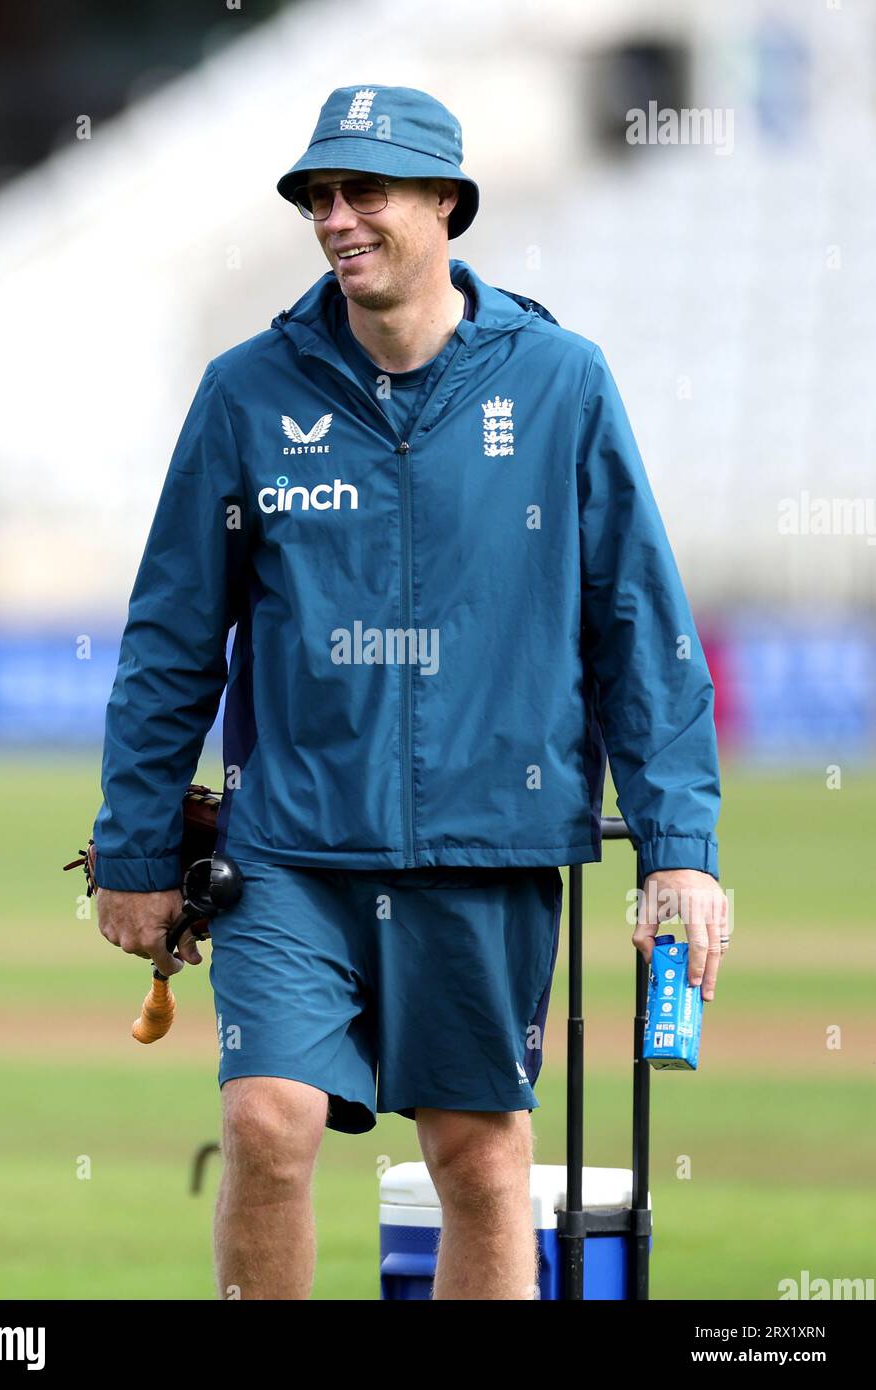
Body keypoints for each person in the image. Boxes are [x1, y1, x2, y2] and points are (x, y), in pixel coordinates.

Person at [93, 84, 730, 1300]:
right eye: (319, 198)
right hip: (291, 847)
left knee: (481, 1164)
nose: (337, 218)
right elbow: (170, 636)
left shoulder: (561, 382)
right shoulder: (246, 392)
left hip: (487, 840)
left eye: (364, 192)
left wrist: (679, 845)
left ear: (445, 203)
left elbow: (637, 624)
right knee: (269, 1126)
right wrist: (132, 850)